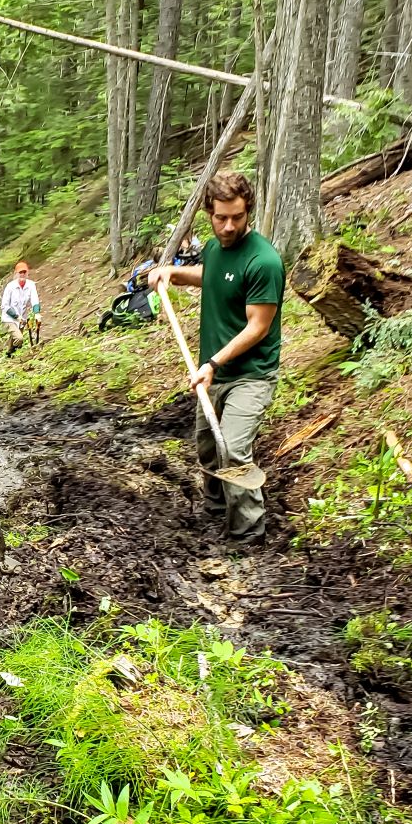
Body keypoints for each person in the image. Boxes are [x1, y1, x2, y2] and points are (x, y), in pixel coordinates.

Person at [148, 170, 284, 546]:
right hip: (215, 373)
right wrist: (172, 272)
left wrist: (212, 363)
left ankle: (248, 534)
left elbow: (258, 327)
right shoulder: (214, 247)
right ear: (209, 212)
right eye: (220, 217)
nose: (228, 226)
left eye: (237, 217)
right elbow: (213, 274)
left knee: (233, 449)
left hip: (250, 375)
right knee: (208, 447)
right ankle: (215, 511)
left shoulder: (264, 261)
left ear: (248, 211)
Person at [0, 261, 41, 354]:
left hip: (22, 318)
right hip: (9, 318)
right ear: (16, 274)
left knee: (16, 342)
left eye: (24, 272)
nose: (22, 274)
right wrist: (16, 317)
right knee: (19, 338)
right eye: (20, 272)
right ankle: (11, 353)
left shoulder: (31, 285)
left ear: (27, 273)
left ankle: (9, 356)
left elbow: (34, 300)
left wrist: (37, 313)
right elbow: (4, 305)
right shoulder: (10, 287)